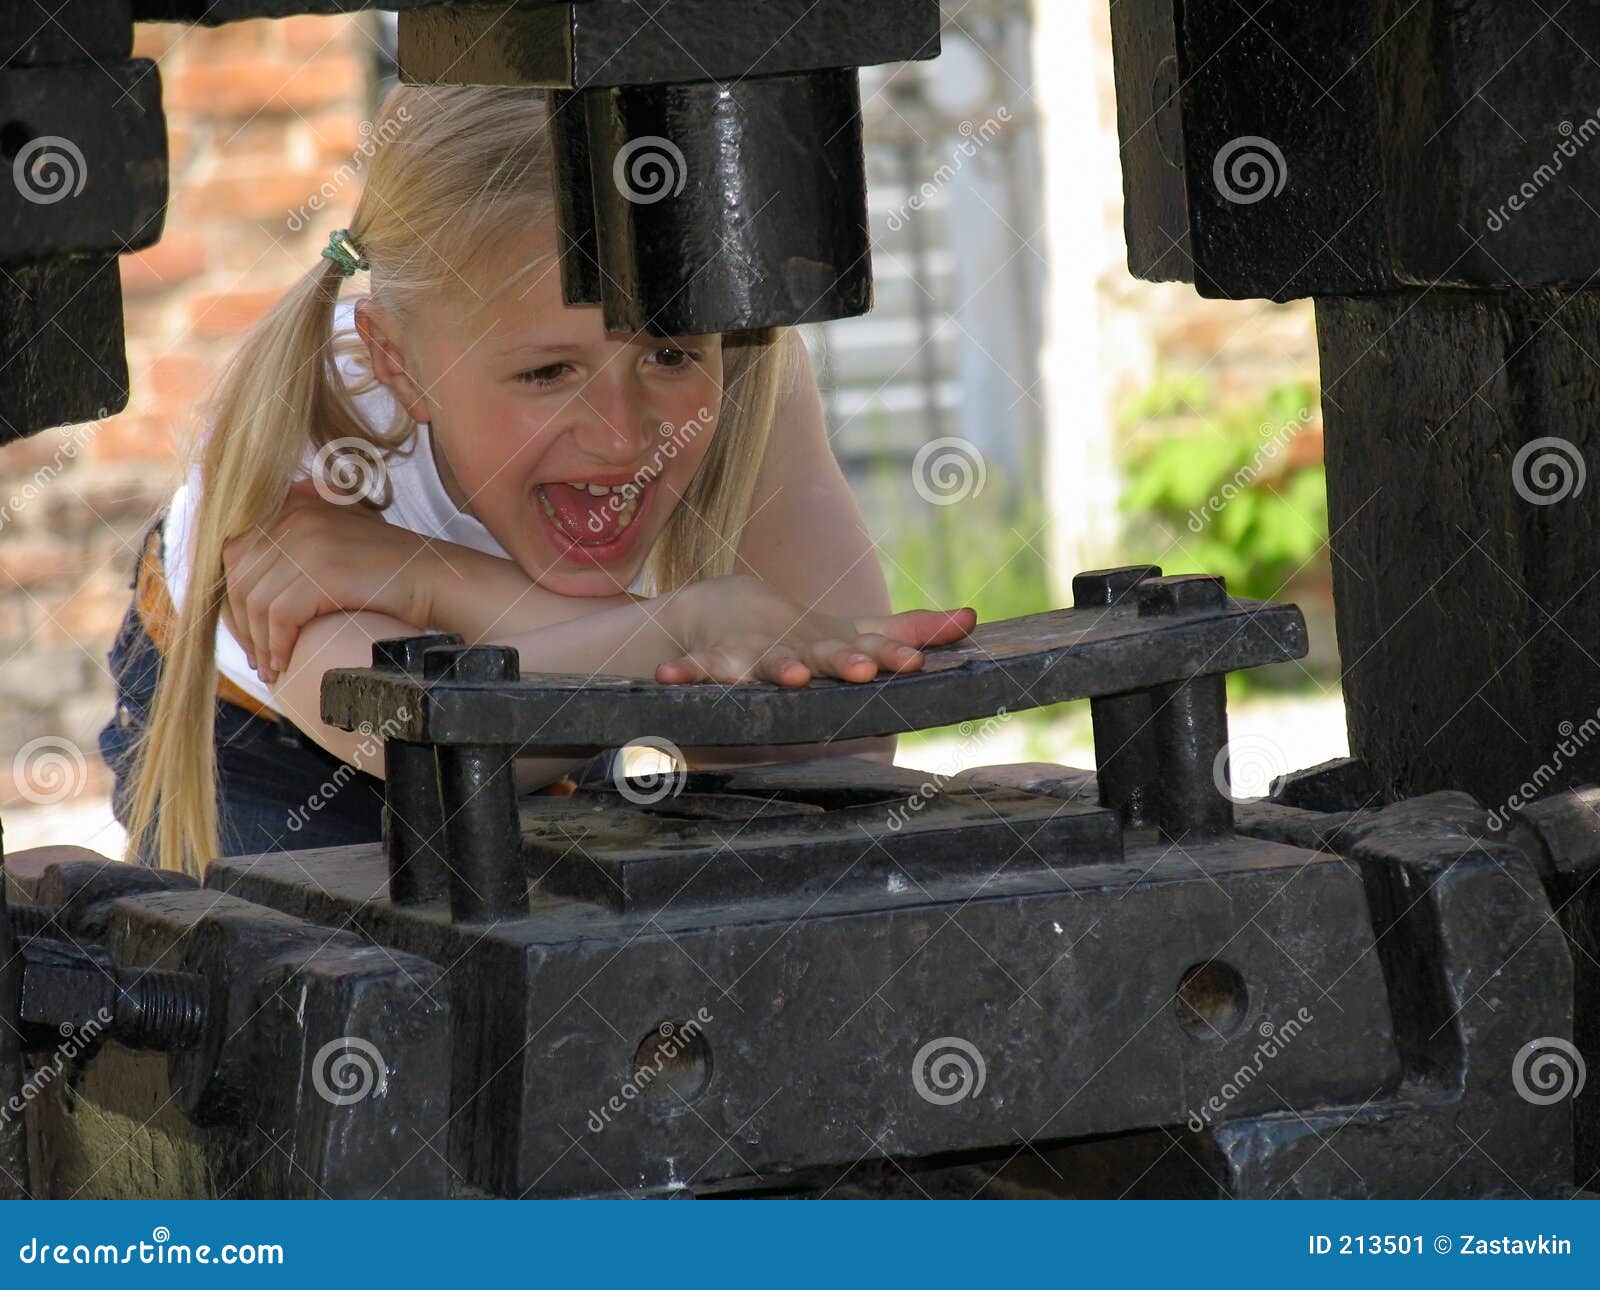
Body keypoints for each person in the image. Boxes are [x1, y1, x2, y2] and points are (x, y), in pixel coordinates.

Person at [99, 84, 976, 877]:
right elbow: (427, 749)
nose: (621, 434)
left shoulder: (745, 369)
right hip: (276, 751)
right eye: (549, 372)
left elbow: (841, 756)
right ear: (398, 366)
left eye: (670, 354)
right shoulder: (311, 442)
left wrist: (431, 580)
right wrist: (694, 629)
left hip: (561, 710)